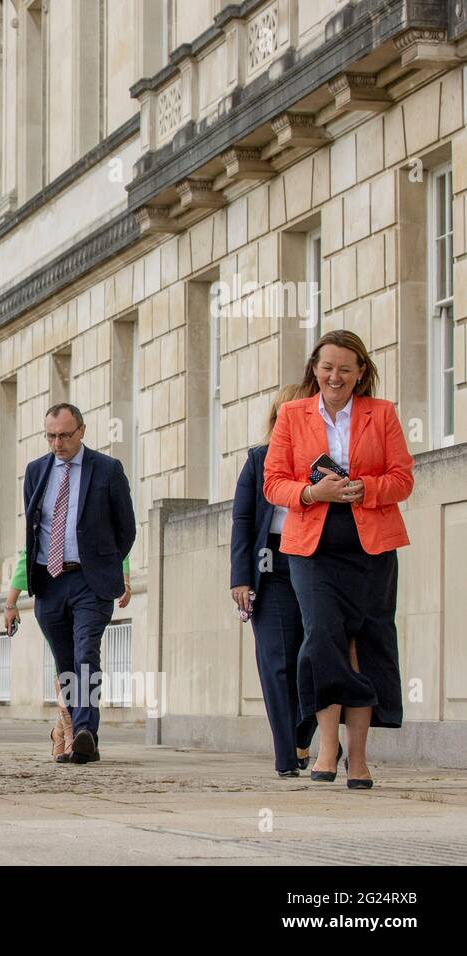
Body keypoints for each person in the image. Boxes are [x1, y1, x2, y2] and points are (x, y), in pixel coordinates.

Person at [264, 330, 413, 790]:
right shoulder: (292, 415)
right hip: (313, 547)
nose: (335, 376)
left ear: (360, 372)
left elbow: (403, 479)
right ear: (314, 369)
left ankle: (360, 757)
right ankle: (327, 746)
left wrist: (367, 488)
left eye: (345, 368)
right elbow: (273, 483)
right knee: (324, 638)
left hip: (371, 545)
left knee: (365, 646)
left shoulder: (381, 414)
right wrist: (312, 492)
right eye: (327, 367)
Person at [19, 403, 136, 764]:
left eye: (65, 435)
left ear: (81, 431)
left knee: (87, 651)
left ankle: (86, 731)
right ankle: (71, 732)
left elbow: (126, 528)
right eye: (51, 436)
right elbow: (32, 528)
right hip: (50, 579)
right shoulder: (36, 471)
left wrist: (107, 564)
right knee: (65, 662)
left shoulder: (107, 470)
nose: (58, 443)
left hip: (90, 579)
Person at [231, 384, 319, 777]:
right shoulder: (258, 459)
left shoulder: (325, 461)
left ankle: (303, 735)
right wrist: (240, 579)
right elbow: (243, 522)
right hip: (271, 569)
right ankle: (286, 757)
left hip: (318, 561)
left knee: (316, 657)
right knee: (276, 661)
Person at [4, 552, 131, 762]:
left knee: (85, 655)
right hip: (51, 587)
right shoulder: (44, 519)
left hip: (90, 583)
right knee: (64, 664)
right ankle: (64, 731)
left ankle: (76, 734)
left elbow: (115, 539)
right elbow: (30, 551)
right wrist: (11, 602)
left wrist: (124, 577)